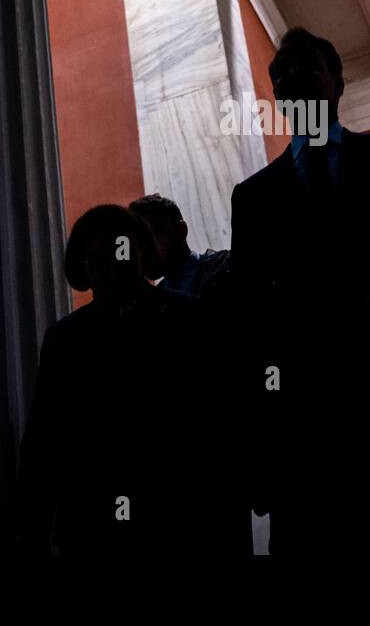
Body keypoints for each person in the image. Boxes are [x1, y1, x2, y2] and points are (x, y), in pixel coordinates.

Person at [228, 27, 370, 555]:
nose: (293, 78)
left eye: (306, 67)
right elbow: (250, 326)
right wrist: (259, 445)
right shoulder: (253, 199)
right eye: (282, 74)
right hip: (311, 431)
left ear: (337, 81)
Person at [16, 204, 250, 555]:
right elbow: (45, 441)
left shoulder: (188, 318)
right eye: (99, 261)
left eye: (121, 254)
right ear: (84, 268)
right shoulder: (65, 340)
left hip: (180, 520)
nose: (113, 270)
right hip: (96, 525)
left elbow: (220, 425)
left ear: (141, 253)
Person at [129, 193, 229, 299]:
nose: (141, 250)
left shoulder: (223, 265)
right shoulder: (157, 295)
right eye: (137, 241)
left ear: (181, 230)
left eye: (151, 235)